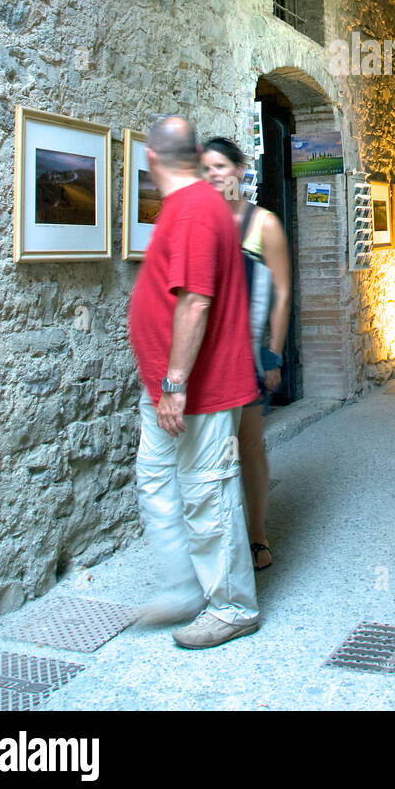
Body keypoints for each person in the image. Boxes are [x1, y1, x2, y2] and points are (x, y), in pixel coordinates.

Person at [128, 115, 260, 649]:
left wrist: (175, 384)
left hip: (193, 390)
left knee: (207, 488)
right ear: (194, 152)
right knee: (156, 480)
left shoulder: (193, 209)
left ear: (151, 159)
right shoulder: (192, 205)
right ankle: (185, 586)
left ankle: (232, 606)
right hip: (166, 388)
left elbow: (196, 300)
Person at [201, 137, 291, 572]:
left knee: (249, 443)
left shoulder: (264, 224)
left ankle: (256, 534)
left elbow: (282, 291)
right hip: (208, 352)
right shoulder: (203, 221)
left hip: (249, 352)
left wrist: (273, 353)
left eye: (220, 166)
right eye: (206, 168)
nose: (214, 175)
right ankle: (216, 534)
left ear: (239, 169)